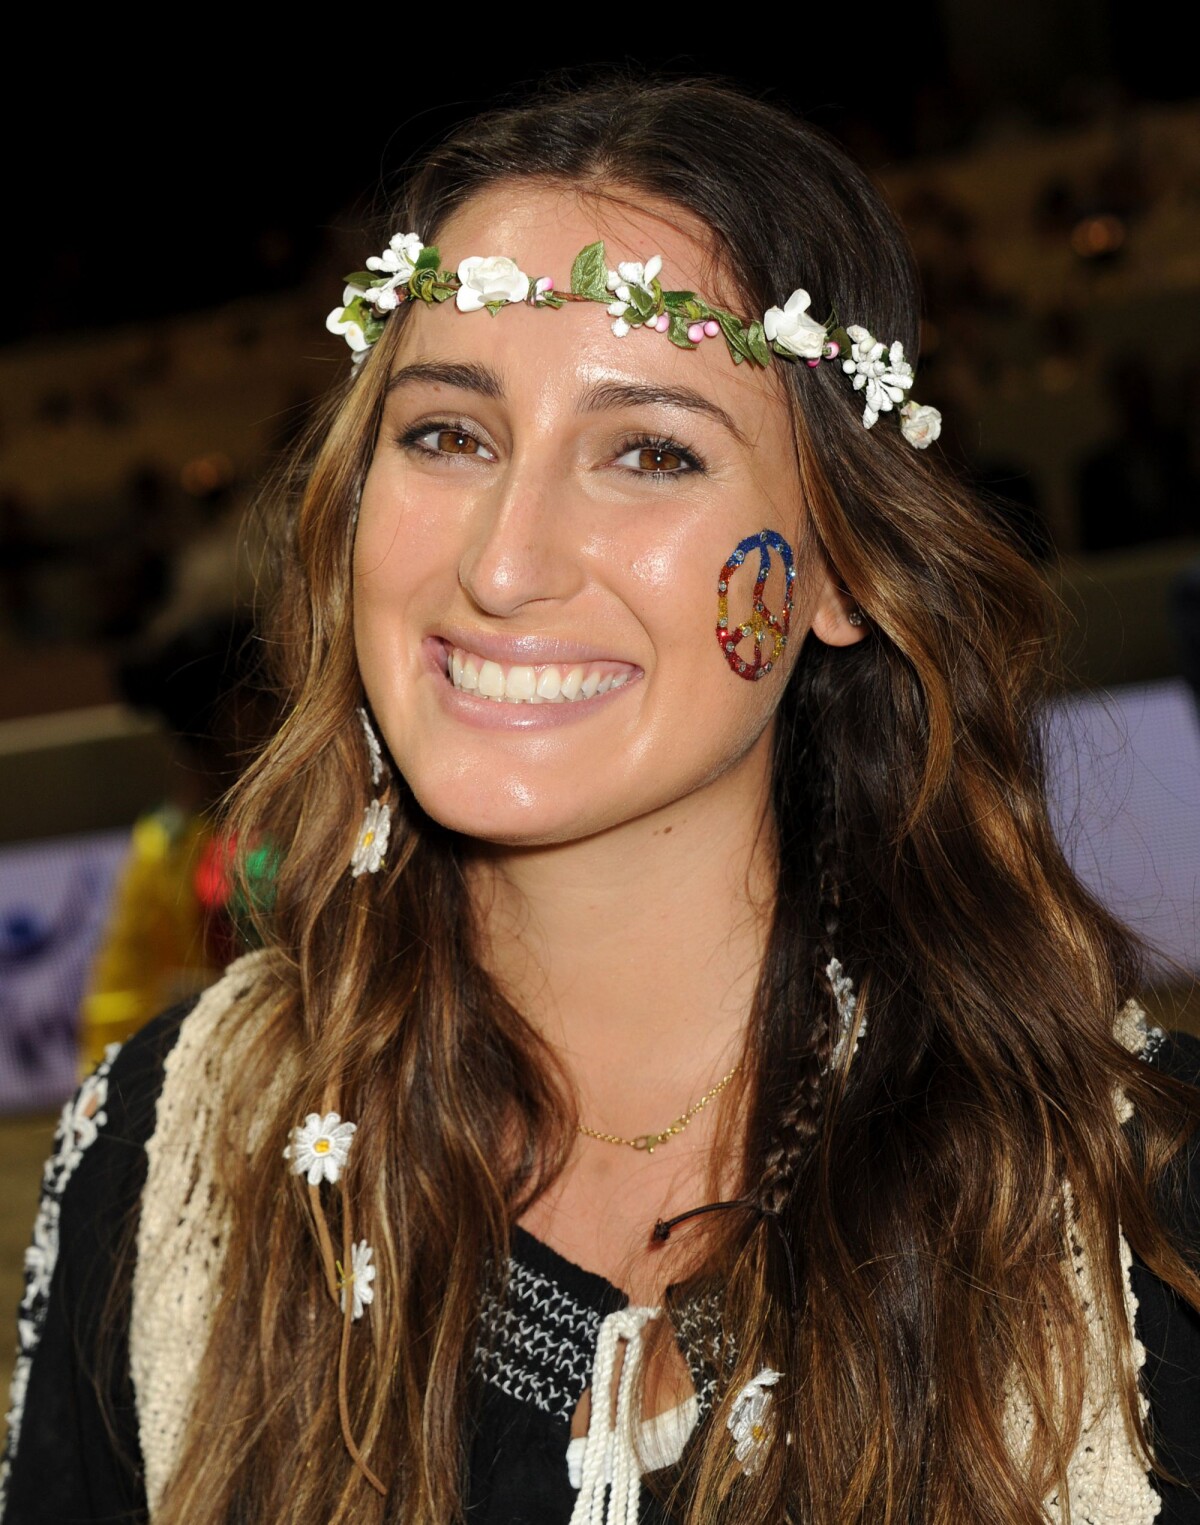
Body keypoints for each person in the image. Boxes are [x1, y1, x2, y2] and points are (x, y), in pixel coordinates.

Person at [3, 75, 1199, 1525]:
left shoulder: (1138, 1207)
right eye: (448, 434)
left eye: (652, 452)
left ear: (840, 566)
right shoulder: (178, 1150)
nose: (504, 565)